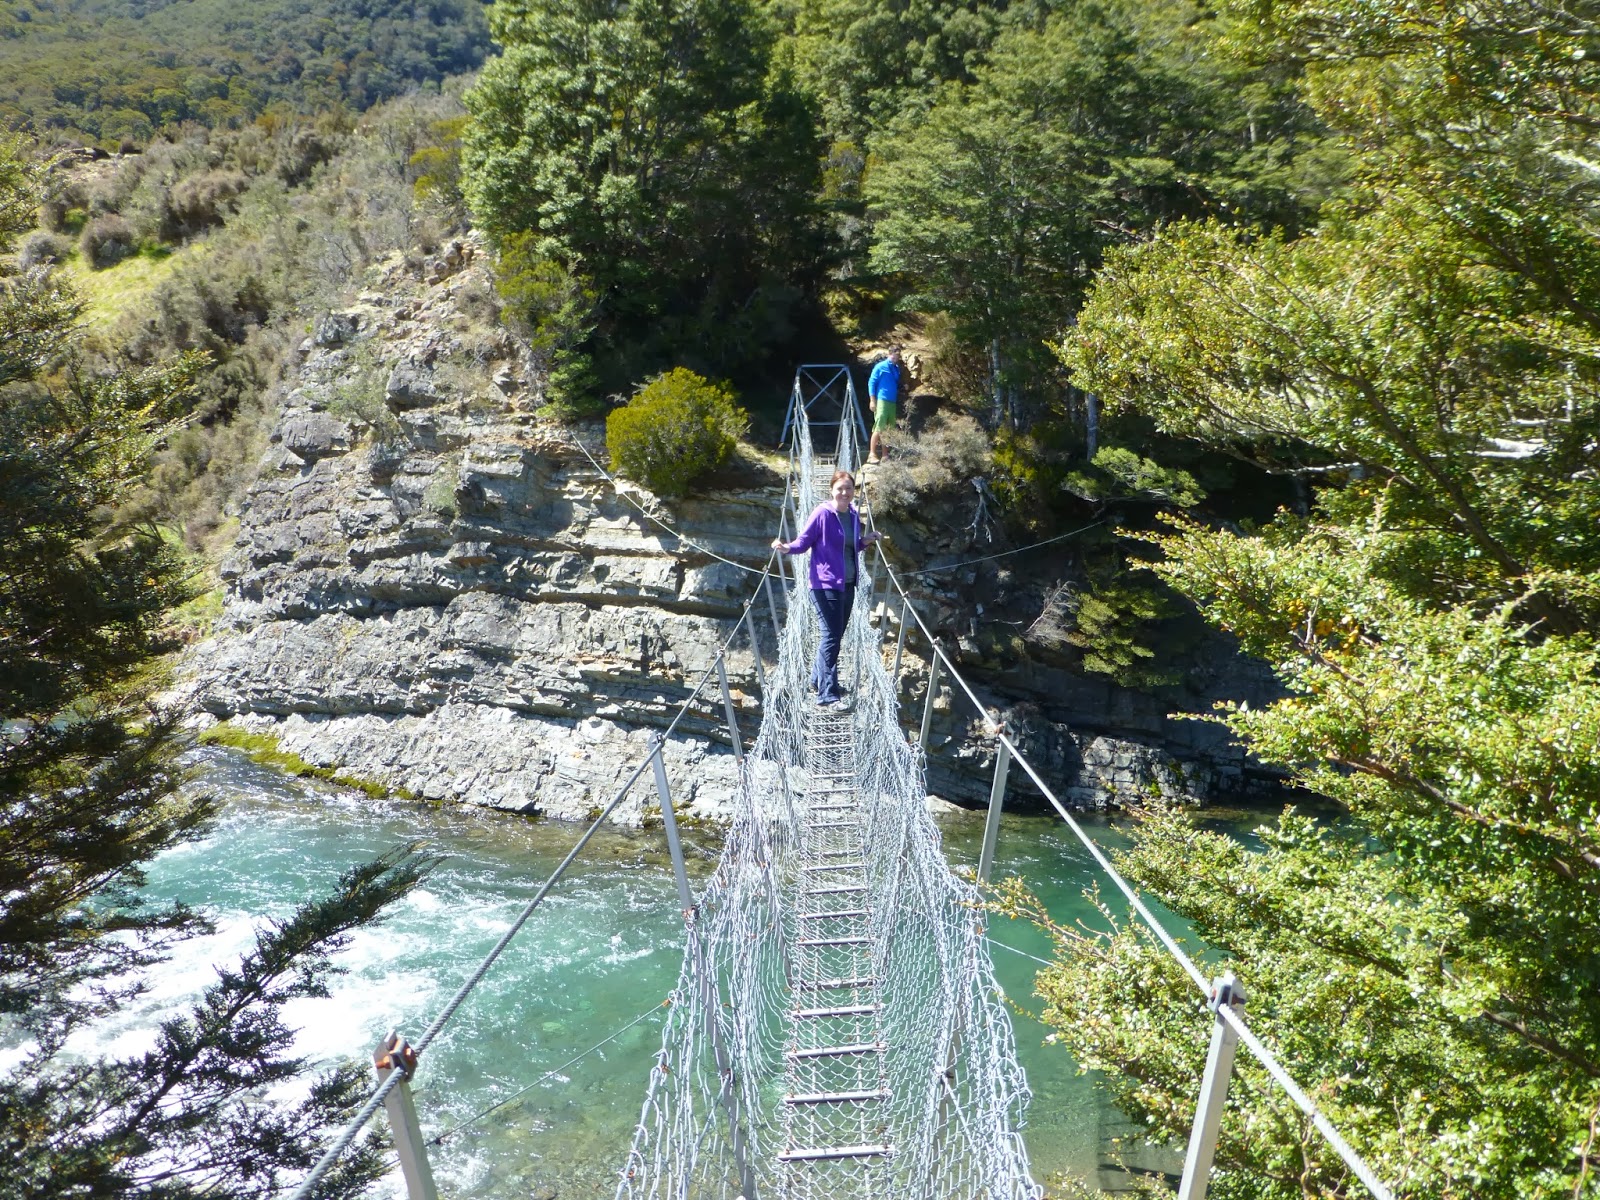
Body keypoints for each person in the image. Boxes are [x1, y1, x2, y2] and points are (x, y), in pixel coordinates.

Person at [772, 471, 884, 706]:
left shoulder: (853, 515)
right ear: (832, 490)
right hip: (824, 585)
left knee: (836, 635)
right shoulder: (822, 513)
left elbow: (851, 547)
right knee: (831, 636)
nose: (845, 493)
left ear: (854, 491)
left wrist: (866, 540)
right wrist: (785, 548)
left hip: (849, 584)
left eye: (849, 488)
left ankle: (817, 679)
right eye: (840, 488)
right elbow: (803, 543)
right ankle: (828, 695)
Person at [865, 346, 902, 464]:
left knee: (889, 429)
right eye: (894, 356)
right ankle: (872, 454)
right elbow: (872, 383)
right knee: (879, 425)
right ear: (889, 354)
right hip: (881, 400)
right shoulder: (880, 367)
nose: (895, 359)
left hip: (892, 402)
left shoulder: (896, 369)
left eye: (897, 357)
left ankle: (885, 455)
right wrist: (872, 400)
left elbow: (895, 383)